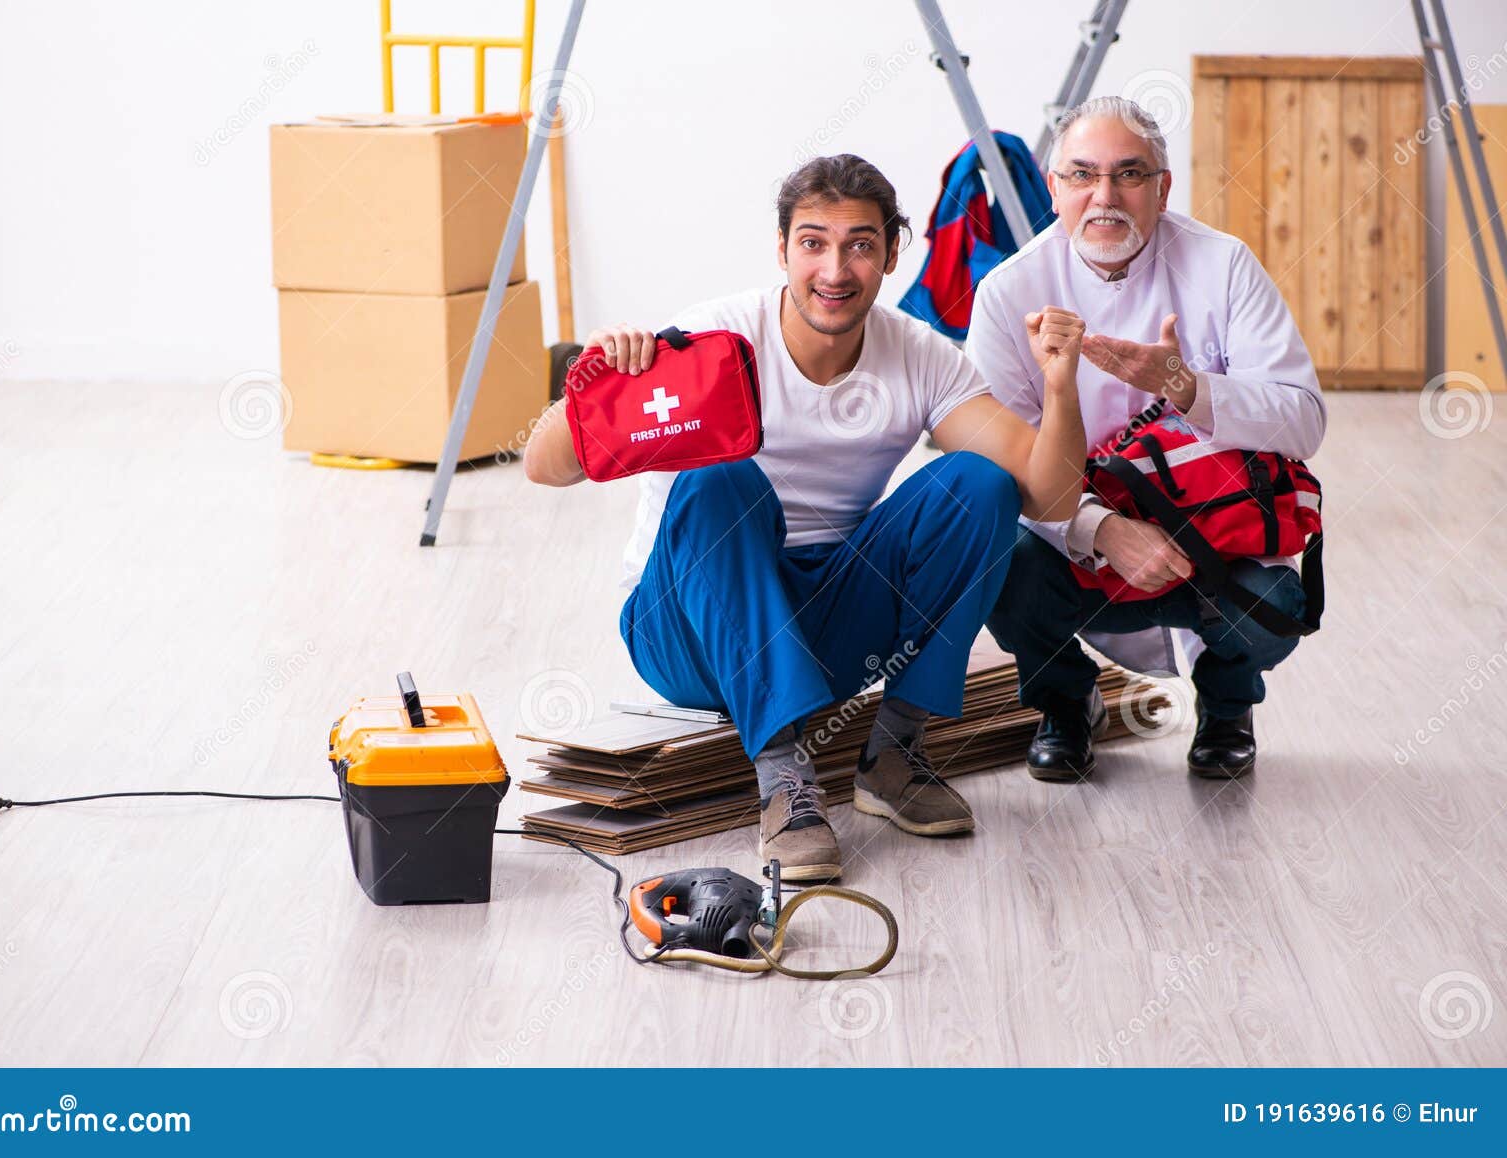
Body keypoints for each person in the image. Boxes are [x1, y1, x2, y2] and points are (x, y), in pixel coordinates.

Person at [523, 154, 1087, 880]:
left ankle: (893, 755)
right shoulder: (713, 338)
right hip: (686, 627)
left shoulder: (920, 356)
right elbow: (545, 467)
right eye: (814, 242)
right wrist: (597, 385)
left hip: (825, 623)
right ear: (783, 250)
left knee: (981, 484)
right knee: (722, 479)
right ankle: (786, 778)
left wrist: (1061, 388)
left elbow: (1052, 497)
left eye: (859, 244)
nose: (835, 269)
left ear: (890, 254)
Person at [974, 96, 1327, 782]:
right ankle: (1068, 701)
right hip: (1077, 548)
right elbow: (1000, 462)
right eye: (1082, 175)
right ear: (1054, 189)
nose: (1104, 196)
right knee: (990, 552)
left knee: (1276, 607)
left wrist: (1189, 387)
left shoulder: (1222, 265)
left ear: (1162, 189)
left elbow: (1304, 419)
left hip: (1210, 546)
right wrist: (1104, 530)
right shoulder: (1006, 292)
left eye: (1129, 174)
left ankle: (1226, 707)